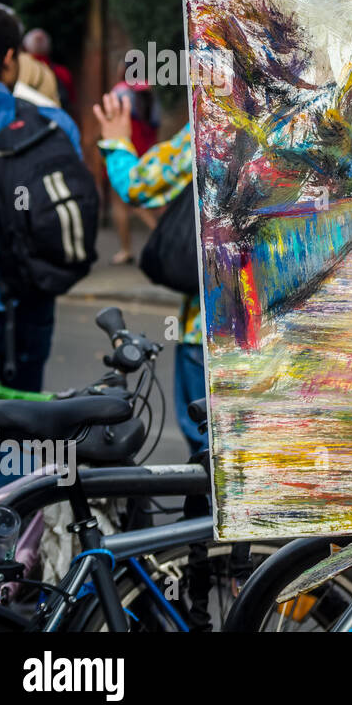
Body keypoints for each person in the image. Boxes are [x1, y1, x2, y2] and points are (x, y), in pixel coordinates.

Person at [0, 4, 83, 489]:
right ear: (9, 58)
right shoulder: (54, 124)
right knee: (16, 438)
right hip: (27, 301)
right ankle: (12, 554)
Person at [92, 92, 206, 455]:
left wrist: (116, 142)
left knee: (209, 446)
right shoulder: (329, 125)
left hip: (211, 328)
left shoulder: (218, 122)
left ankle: (211, 510)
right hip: (300, 335)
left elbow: (140, 185)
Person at [106, 79, 160, 265]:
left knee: (123, 203)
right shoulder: (150, 94)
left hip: (125, 154)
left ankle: (127, 248)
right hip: (146, 153)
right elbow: (155, 128)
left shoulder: (120, 92)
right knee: (144, 200)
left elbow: (110, 123)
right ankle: (160, 233)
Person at [24, 28, 75, 113]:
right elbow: (71, 103)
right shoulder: (62, 72)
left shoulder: (21, 72)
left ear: (26, 47)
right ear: (49, 47)